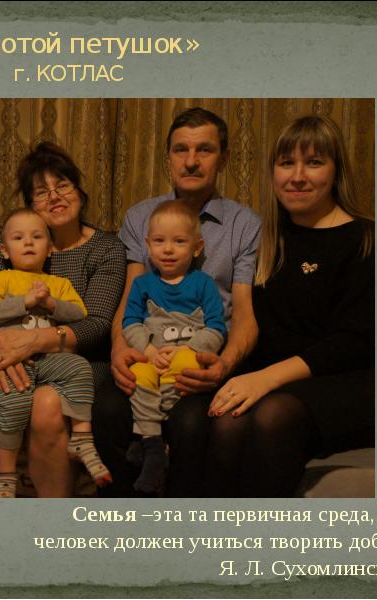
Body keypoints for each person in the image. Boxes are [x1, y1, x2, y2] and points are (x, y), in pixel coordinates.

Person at [93, 107, 261, 497]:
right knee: (107, 410)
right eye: (181, 149)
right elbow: (130, 297)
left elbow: (245, 314)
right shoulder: (140, 217)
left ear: (223, 158)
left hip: (202, 358)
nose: (191, 161)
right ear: (168, 157)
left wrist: (222, 366)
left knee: (191, 424)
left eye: (204, 150)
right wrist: (119, 349)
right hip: (147, 351)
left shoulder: (244, 224)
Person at [206, 115, 374, 497]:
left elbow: (353, 342)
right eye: (286, 163)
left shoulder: (366, 238)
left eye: (313, 162)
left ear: (335, 171)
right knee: (226, 418)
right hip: (279, 378)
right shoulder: (266, 240)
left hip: (349, 379)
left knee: (273, 415)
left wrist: (266, 378)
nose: (297, 176)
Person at [0, 142, 126, 498]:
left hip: (77, 360)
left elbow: (95, 324)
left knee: (48, 405)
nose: (55, 197)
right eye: (41, 192)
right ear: (29, 205)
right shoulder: (12, 243)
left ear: (79, 191)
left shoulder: (105, 248)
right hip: (4, 354)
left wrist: (30, 343)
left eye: (63, 185)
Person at [0, 207, 111, 497]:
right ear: (4, 250)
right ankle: (6, 476)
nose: (28, 242)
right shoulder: (0, 279)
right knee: (14, 404)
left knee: (79, 368)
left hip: (49, 359)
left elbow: (80, 314)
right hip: (10, 361)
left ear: (49, 249)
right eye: (18, 238)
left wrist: (50, 304)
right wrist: (24, 301)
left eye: (36, 237)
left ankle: (82, 437)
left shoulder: (58, 284)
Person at [121, 200, 226, 494]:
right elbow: (130, 322)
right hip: (151, 354)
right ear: (148, 245)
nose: (168, 249)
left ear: (196, 247)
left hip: (187, 353)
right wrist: (148, 351)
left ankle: (156, 437)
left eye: (179, 242)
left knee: (185, 368)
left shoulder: (203, 283)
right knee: (138, 375)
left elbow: (216, 327)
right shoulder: (142, 284)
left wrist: (186, 350)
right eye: (159, 241)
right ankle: (153, 443)